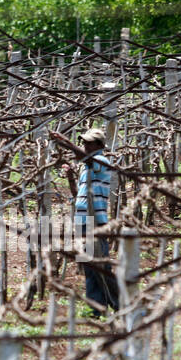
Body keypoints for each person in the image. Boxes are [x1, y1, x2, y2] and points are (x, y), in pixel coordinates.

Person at [63, 127, 119, 314]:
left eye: (88, 143)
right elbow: (77, 194)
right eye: (83, 143)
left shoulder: (100, 161)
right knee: (89, 267)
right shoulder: (87, 168)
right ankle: (97, 308)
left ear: (99, 145)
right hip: (83, 221)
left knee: (101, 266)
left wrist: (64, 141)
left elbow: (85, 158)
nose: (85, 146)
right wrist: (71, 176)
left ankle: (121, 305)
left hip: (95, 222)